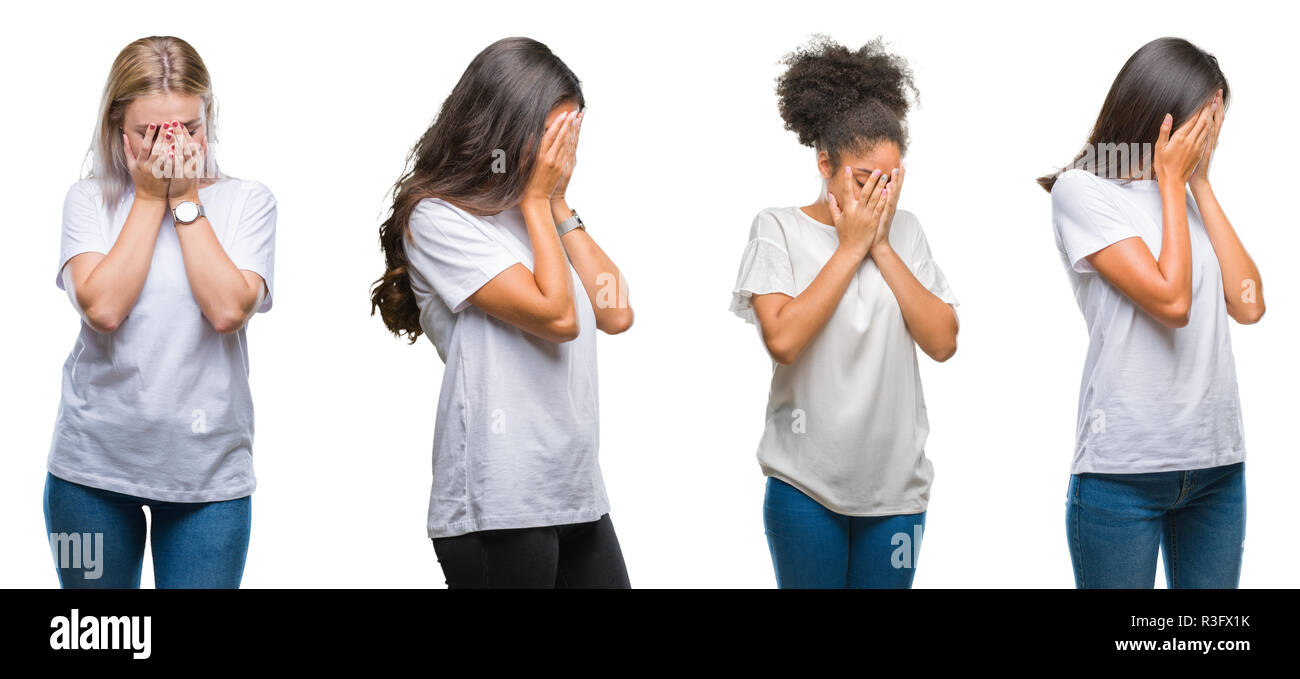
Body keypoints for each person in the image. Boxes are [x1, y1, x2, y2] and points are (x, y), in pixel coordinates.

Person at [371, 37, 634, 589]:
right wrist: (538, 201)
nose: (563, 151)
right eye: (554, 134)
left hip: (576, 490)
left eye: (573, 134)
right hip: (501, 500)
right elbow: (557, 317)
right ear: (506, 125)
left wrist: (557, 202)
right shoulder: (438, 217)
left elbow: (615, 310)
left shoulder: (539, 214)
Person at [45, 35, 276, 589]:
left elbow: (226, 310)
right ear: (118, 131)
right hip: (91, 470)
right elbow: (103, 308)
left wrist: (185, 199)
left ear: (208, 118)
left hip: (208, 478)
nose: (172, 144)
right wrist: (149, 199)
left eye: (188, 129)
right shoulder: (89, 200)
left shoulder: (248, 200)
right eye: (151, 133)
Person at [729, 36, 959, 588]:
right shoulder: (776, 227)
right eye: (863, 181)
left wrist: (879, 245)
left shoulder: (906, 233)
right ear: (825, 163)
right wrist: (852, 246)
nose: (879, 196)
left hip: (896, 493)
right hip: (805, 488)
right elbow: (783, 339)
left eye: (891, 180)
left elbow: (944, 340)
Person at [1041, 37, 1262, 588]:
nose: (1210, 136)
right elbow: (1172, 301)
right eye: (1203, 123)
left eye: (1217, 123)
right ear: (1162, 115)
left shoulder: (1188, 196)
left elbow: (1250, 303)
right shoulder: (1082, 191)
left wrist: (1199, 184)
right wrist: (1170, 183)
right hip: (1123, 472)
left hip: (1216, 465)